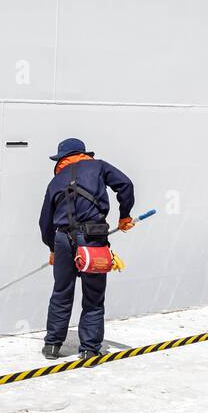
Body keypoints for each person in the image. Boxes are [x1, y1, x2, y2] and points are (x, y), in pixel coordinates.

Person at [38, 138, 135, 360]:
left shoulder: (55, 182)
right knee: (93, 295)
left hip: (62, 240)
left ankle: (52, 345)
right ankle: (90, 349)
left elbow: (44, 222)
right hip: (93, 237)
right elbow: (125, 185)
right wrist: (125, 216)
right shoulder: (99, 166)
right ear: (83, 154)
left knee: (61, 292)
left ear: (62, 158)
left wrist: (52, 248)